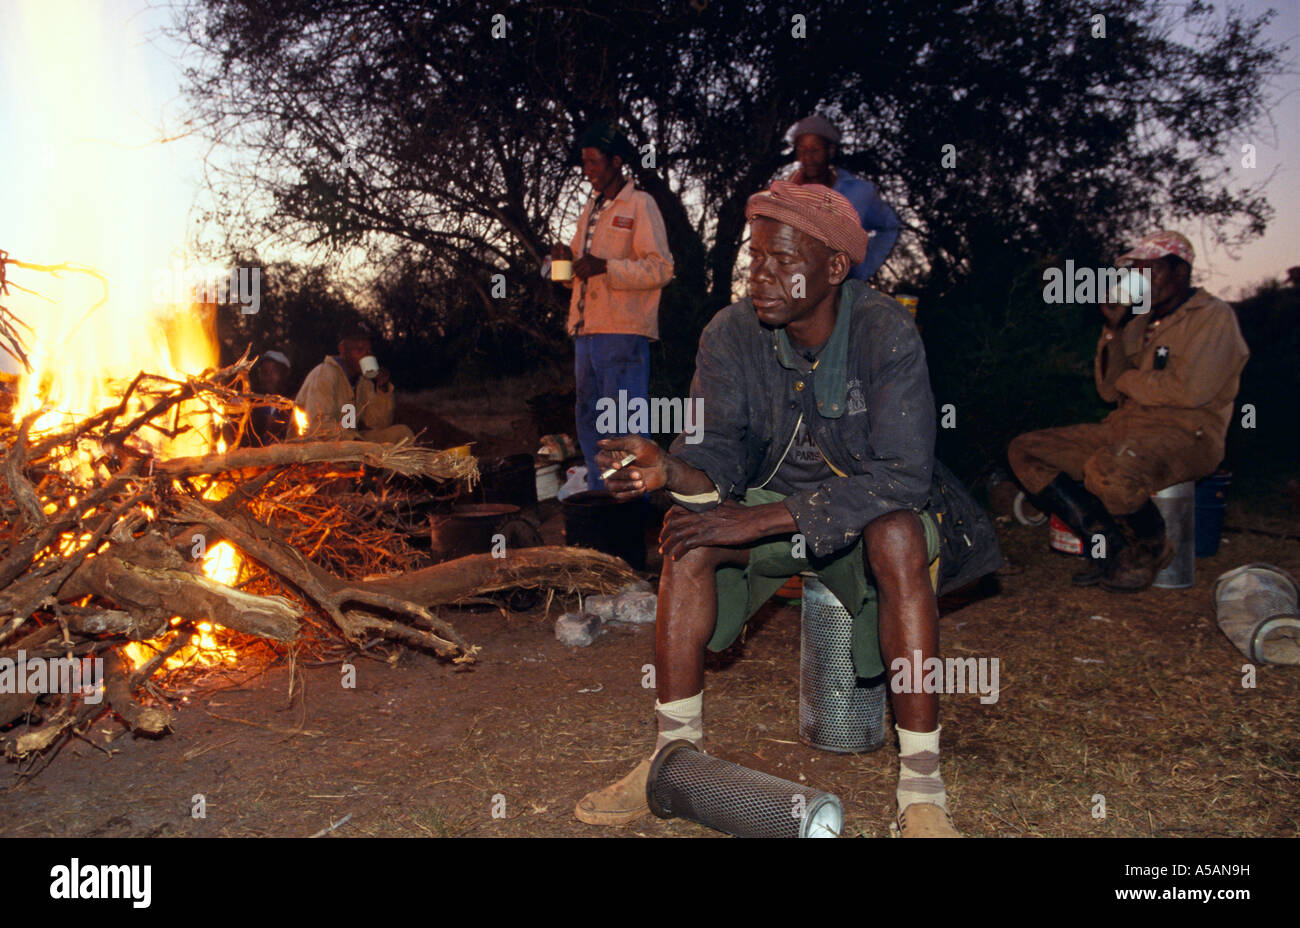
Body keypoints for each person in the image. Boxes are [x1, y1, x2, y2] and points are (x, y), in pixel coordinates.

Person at [574, 181, 1000, 838]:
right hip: (774, 516)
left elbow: (903, 478)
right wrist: (670, 468)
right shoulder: (731, 332)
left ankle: (922, 791)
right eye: (755, 259)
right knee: (688, 536)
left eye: (782, 260)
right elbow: (713, 451)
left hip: (860, 524)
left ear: (834, 268)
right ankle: (669, 757)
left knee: (899, 537)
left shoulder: (884, 331)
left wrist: (761, 520)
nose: (761, 276)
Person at [1008, 231, 1249, 593]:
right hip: (1125, 427)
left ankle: (1153, 547)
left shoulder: (1213, 316)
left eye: (1150, 270)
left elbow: (1190, 391)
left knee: (1109, 470)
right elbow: (1108, 388)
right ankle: (1111, 547)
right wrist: (1112, 329)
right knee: (1025, 450)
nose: (1140, 281)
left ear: (1180, 271)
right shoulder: (1140, 323)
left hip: (1188, 434)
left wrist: (1130, 379)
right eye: (1135, 273)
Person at [550, 121, 673, 490]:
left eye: (593, 163)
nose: (587, 171)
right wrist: (560, 262)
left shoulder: (640, 204)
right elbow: (572, 271)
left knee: (624, 424)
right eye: (584, 164)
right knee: (589, 420)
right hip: (586, 333)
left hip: (623, 332)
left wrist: (608, 267)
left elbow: (662, 267)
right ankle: (602, 500)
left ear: (616, 161)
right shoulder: (592, 208)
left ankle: (632, 507)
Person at [787, 114, 901, 282]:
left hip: (839, 294)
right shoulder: (784, 195)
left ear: (830, 151)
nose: (808, 158)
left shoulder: (859, 192)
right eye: (802, 150)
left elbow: (889, 226)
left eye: (815, 150)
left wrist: (862, 269)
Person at [294, 327, 414, 443]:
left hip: (347, 443)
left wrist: (382, 388)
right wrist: (356, 443)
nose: (366, 356)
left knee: (402, 434)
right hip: (312, 446)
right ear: (342, 350)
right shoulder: (325, 374)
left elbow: (378, 424)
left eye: (369, 351)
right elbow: (318, 427)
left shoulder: (362, 382)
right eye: (359, 350)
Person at [248, 349, 293, 445]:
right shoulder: (251, 401)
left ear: (284, 374)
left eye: (274, 371)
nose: (268, 376)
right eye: (264, 371)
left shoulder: (291, 405)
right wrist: (263, 423)